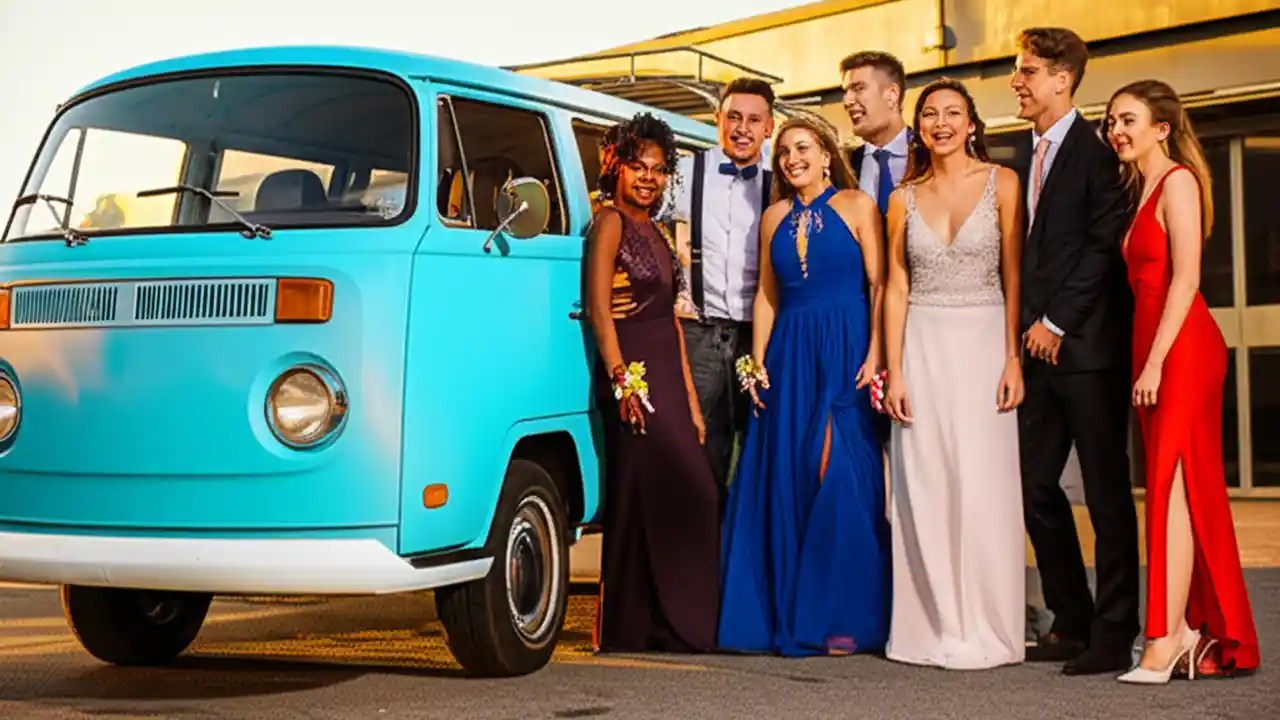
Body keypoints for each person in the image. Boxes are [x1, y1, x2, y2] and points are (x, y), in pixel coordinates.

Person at [1103, 80, 1260, 683]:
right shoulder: (1140, 188)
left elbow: (1187, 278)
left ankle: (1164, 641)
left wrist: (1155, 362)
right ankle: (1187, 631)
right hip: (1157, 347)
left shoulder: (1178, 182)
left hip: (1182, 350)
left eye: (1129, 120)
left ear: (1162, 128)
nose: (1117, 131)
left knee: (1172, 489)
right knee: (1175, 492)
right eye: (1112, 121)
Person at [717, 116, 889, 657]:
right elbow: (767, 296)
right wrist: (756, 362)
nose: (793, 158)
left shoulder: (858, 206)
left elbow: (880, 284)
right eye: (785, 151)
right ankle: (794, 610)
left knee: (839, 472)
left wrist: (876, 352)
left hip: (846, 347)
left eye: (803, 148)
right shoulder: (773, 217)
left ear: (826, 154)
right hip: (789, 353)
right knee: (790, 476)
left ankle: (843, 615)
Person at [881, 79, 1026, 670]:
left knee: (984, 485)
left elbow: (1014, 275)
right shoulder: (901, 198)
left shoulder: (1003, 183)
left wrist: (1013, 356)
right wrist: (894, 370)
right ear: (918, 127)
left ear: (971, 124)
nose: (941, 123)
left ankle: (989, 626)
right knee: (926, 482)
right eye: (930, 114)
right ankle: (933, 623)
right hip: (922, 344)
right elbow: (897, 287)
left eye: (953, 113)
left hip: (985, 341)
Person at [1010, 26, 1140, 675]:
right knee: (1034, 484)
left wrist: (1056, 322)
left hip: (1087, 352)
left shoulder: (1098, 154)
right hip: (1035, 353)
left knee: (1106, 493)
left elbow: (1099, 248)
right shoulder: (1023, 152)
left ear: (1063, 79)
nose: (1017, 81)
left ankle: (1114, 630)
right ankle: (1071, 617)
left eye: (1028, 71)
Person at [585, 112, 720, 654]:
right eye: (638, 166)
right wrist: (621, 382)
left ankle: (663, 626)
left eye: (659, 170)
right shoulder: (609, 222)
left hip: (665, 371)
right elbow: (599, 309)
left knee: (682, 495)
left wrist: (690, 401)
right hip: (632, 372)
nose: (648, 177)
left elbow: (670, 321)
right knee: (647, 497)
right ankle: (634, 627)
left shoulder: (658, 230)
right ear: (616, 166)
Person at [672, 77, 776, 511]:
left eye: (754, 120)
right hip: (700, 330)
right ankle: (705, 544)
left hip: (762, 333)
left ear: (769, 127)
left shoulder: (781, 177)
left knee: (761, 447)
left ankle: (747, 544)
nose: (742, 129)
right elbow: (645, 222)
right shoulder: (686, 172)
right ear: (717, 120)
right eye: (734, 117)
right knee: (700, 450)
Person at [840, 50, 911, 217]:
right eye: (846, 92)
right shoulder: (845, 166)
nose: (847, 101)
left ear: (892, 95)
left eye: (858, 88)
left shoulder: (930, 155)